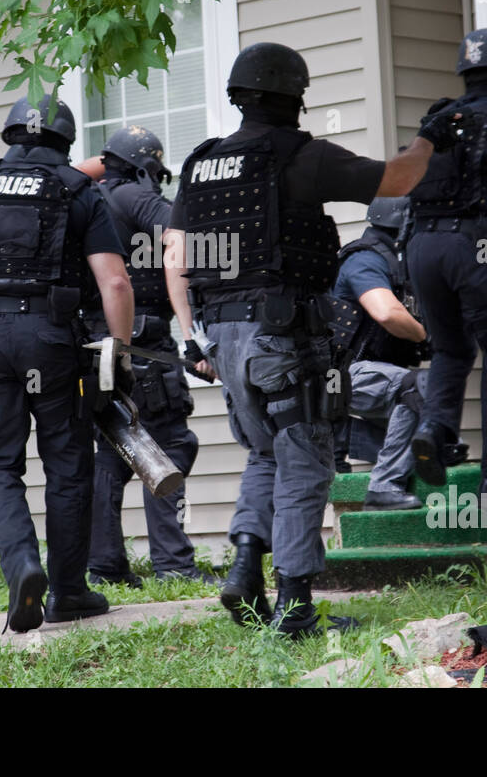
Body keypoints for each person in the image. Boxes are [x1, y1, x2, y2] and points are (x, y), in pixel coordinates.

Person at [164, 42, 462, 638]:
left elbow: (174, 255)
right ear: (295, 99)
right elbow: (398, 179)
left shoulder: (201, 163)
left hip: (219, 334)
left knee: (264, 453)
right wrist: (429, 137)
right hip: (282, 334)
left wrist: (194, 339)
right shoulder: (304, 156)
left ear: (237, 95)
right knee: (306, 461)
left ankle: (246, 569)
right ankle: (295, 606)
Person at [0, 95, 135, 633]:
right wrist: (119, 349)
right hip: (50, 338)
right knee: (67, 463)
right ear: (65, 140)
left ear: (9, 134)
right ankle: (68, 592)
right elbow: (113, 281)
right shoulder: (77, 189)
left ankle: (21, 564)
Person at [78, 126, 219, 587]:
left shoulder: (92, 198)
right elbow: (184, 240)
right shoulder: (132, 197)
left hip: (96, 341)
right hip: (143, 344)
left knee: (112, 452)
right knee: (172, 445)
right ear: (143, 167)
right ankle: (174, 566)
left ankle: (105, 565)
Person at [406, 28, 487, 498]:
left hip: (421, 249)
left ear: (464, 71)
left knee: (450, 350)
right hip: (475, 246)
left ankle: (435, 430)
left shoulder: (438, 119)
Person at [329, 196, 429, 511]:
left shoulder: (399, 264)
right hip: (337, 376)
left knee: (431, 443)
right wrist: (427, 336)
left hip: (362, 377)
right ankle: (384, 486)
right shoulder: (366, 259)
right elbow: (386, 313)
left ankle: (338, 438)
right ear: (402, 224)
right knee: (416, 387)